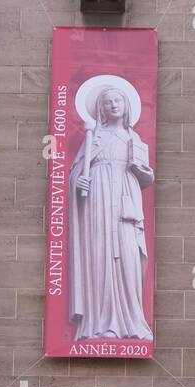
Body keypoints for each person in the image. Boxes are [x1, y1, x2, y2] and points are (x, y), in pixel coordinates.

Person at [68, 86, 154, 342]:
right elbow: (76, 171)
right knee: (100, 257)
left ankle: (132, 322)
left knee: (129, 256)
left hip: (125, 203)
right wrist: (77, 182)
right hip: (98, 203)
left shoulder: (134, 140)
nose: (114, 105)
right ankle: (101, 323)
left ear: (126, 105)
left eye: (118, 100)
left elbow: (147, 176)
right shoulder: (92, 137)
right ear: (101, 109)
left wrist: (139, 170)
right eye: (107, 102)